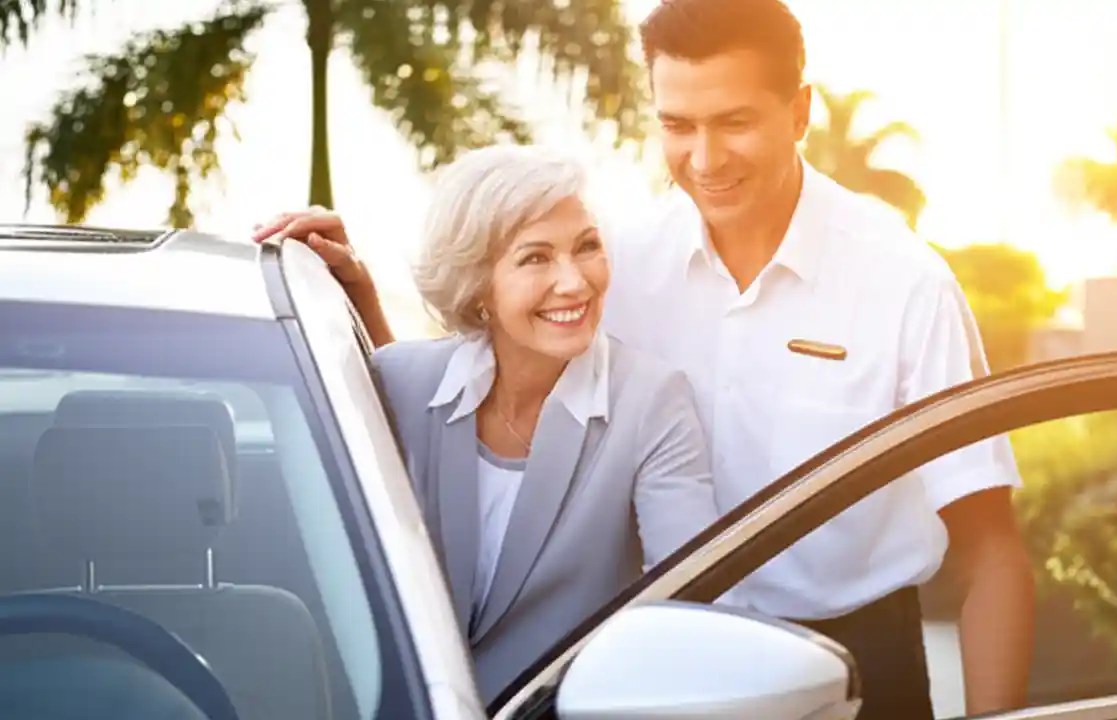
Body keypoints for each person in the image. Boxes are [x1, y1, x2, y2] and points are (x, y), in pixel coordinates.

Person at [258, 1, 1035, 716]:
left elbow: (991, 555)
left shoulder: (904, 282)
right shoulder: (616, 266)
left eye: (733, 121)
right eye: (677, 124)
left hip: (859, 661)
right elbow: (472, 411)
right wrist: (361, 298)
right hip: (660, 667)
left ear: (799, 112)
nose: (703, 157)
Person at [255, 145, 720, 705]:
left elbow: (697, 609)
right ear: (478, 286)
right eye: (536, 258)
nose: (574, 282)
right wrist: (354, 291)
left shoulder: (652, 402)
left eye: (587, 247)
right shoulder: (402, 383)